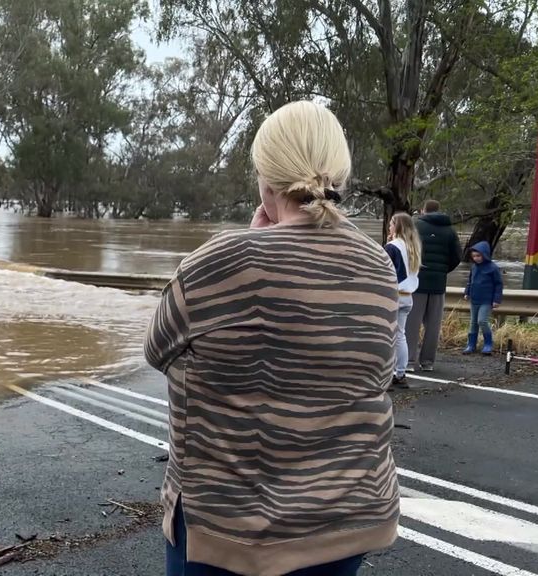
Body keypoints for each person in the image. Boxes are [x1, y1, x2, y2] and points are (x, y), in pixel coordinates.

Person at [145, 101, 399, 576]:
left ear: (266, 180)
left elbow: (158, 348)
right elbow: (375, 373)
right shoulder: (378, 264)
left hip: (230, 528)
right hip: (347, 518)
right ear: (338, 175)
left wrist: (249, 242)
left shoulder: (222, 258)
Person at [406, 200, 462, 372]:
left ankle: (408, 361)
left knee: (412, 324)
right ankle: (428, 362)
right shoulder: (450, 231)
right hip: (438, 285)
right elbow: (457, 257)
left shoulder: (416, 227)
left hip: (418, 283)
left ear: (423, 210)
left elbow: (408, 252)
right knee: (433, 326)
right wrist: (443, 270)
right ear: (439, 210)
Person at [384, 213, 421, 389]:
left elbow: (384, 272)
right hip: (408, 296)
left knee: (387, 336)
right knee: (400, 335)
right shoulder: (412, 246)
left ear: (396, 226)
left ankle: (388, 374)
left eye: (391, 224)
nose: (389, 227)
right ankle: (401, 373)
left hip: (393, 294)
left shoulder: (392, 247)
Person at [463, 241, 504, 355]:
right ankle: (471, 344)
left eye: (478, 256)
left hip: (486, 300)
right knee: (473, 323)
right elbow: (470, 281)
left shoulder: (493, 268)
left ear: (485, 254)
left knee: (482, 321)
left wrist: (496, 299)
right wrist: (467, 292)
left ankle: (488, 343)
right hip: (474, 299)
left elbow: (498, 284)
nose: (476, 258)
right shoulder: (474, 267)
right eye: (474, 256)